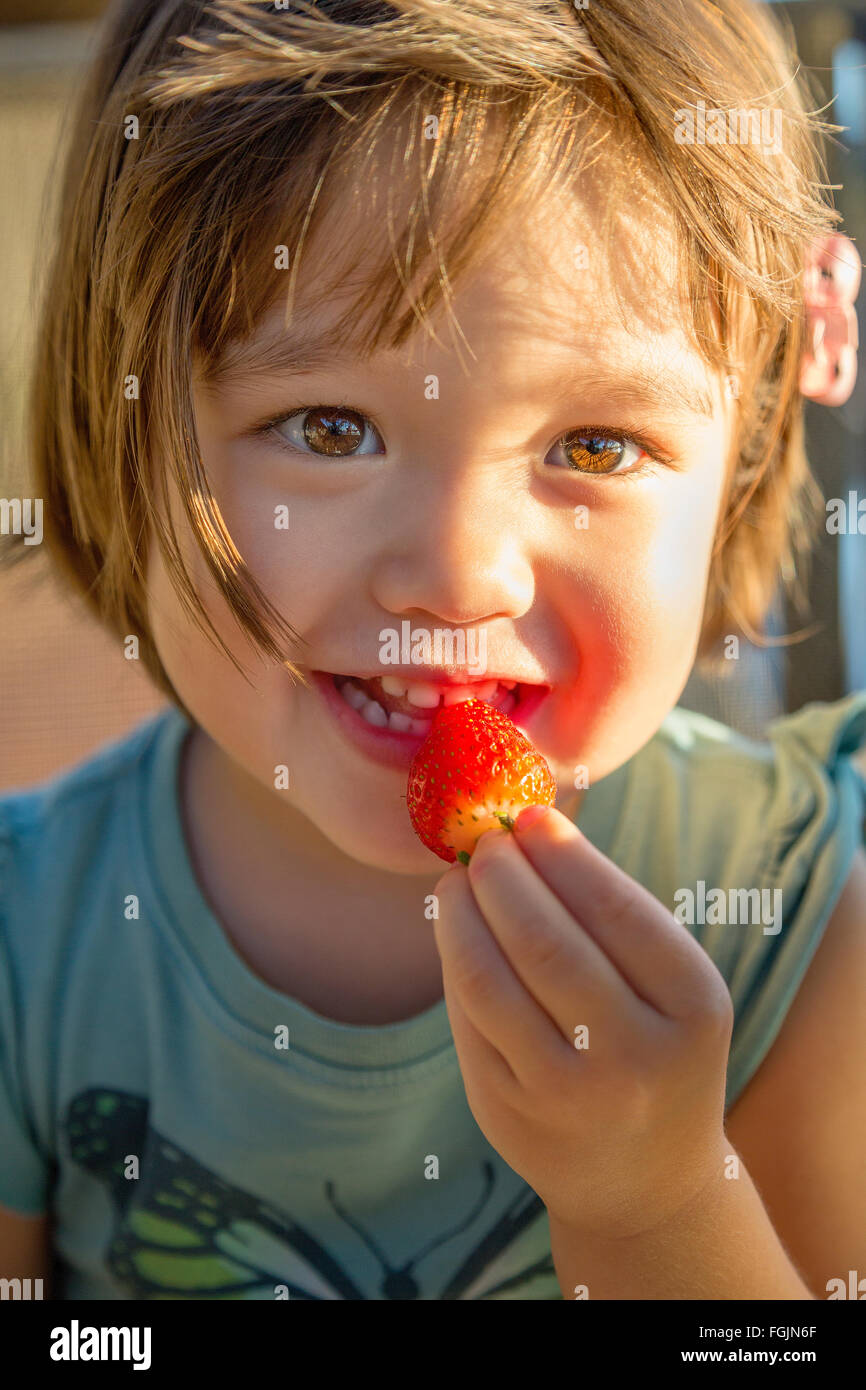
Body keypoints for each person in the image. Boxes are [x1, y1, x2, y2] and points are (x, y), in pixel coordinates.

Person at [1, 0, 864, 1301]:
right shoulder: (31, 946)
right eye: (329, 428)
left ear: (738, 459)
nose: (460, 570)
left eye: (594, 446)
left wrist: (661, 1204)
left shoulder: (799, 916)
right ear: (116, 420)